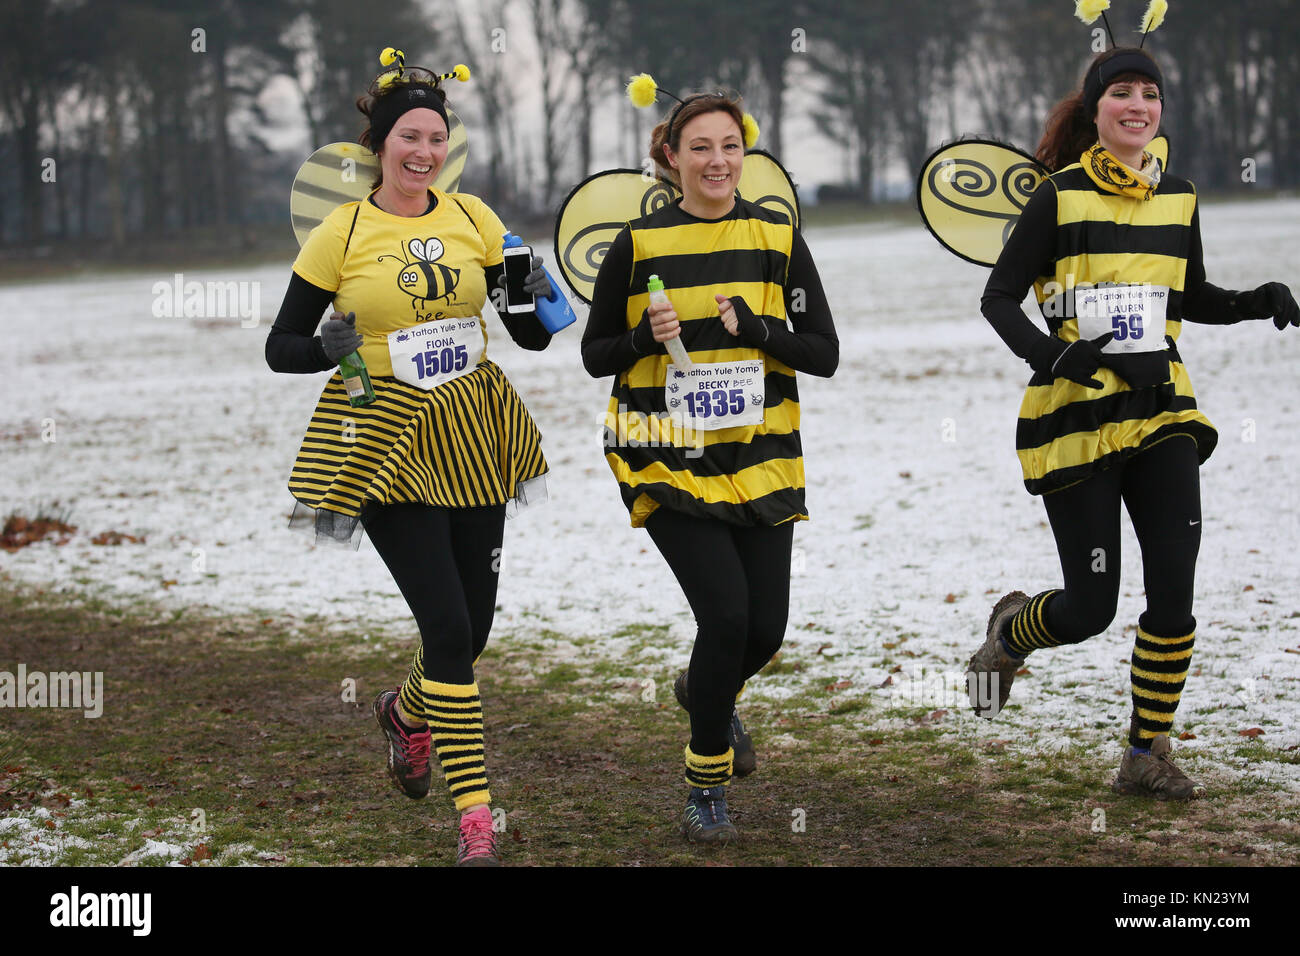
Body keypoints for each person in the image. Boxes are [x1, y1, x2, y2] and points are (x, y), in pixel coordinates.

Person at [966, 45, 1299, 800]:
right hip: (1075, 416)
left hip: (1162, 412)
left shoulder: (1177, 195)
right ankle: (1011, 632)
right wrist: (1057, 357)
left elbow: (1189, 296)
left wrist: (1253, 300)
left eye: (1150, 93)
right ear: (1096, 110)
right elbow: (998, 298)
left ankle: (1145, 751)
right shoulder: (1057, 196)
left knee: (1174, 589)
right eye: (1123, 91)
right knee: (1090, 607)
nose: (1139, 104)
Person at [265, 51, 557, 865]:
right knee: (449, 626)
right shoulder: (343, 231)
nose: (422, 150)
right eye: (408, 136)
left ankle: (403, 714)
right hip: (383, 437)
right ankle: (475, 823)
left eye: (435, 136)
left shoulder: (473, 217)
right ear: (379, 144)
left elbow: (528, 331)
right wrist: (324, 347)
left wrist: (529, 285)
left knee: (476, 628)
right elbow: (279, 346)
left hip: (474, 429)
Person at [581, 85, 838, 843]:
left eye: (730, 146)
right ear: (671, 157)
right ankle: (706, 787)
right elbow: (597, 354)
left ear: (746, 154)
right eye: (700, 147)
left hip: (761, 456)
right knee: (725, 616)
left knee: (764, 631)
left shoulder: (778, 237)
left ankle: (703, 690)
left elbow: (823, 354)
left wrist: (761, 329)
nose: (717, 161)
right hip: (664, 453)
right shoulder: (638, 244)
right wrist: (641, 339)